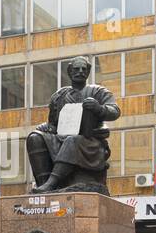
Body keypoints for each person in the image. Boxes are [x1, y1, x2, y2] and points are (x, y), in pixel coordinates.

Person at [27, 55, 121, 194]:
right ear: (70, 71)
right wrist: (46, 127)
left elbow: (115, 111)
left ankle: (52, 183)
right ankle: (44, 185)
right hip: (61, 137)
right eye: (76, 69)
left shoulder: (98, 91)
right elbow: (53, 124)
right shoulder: (60, 95)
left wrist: (99, 108)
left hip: (89, 141)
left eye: (84, 69)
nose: (80, 71)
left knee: (73, 140)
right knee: (34, 137)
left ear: (88, 72)